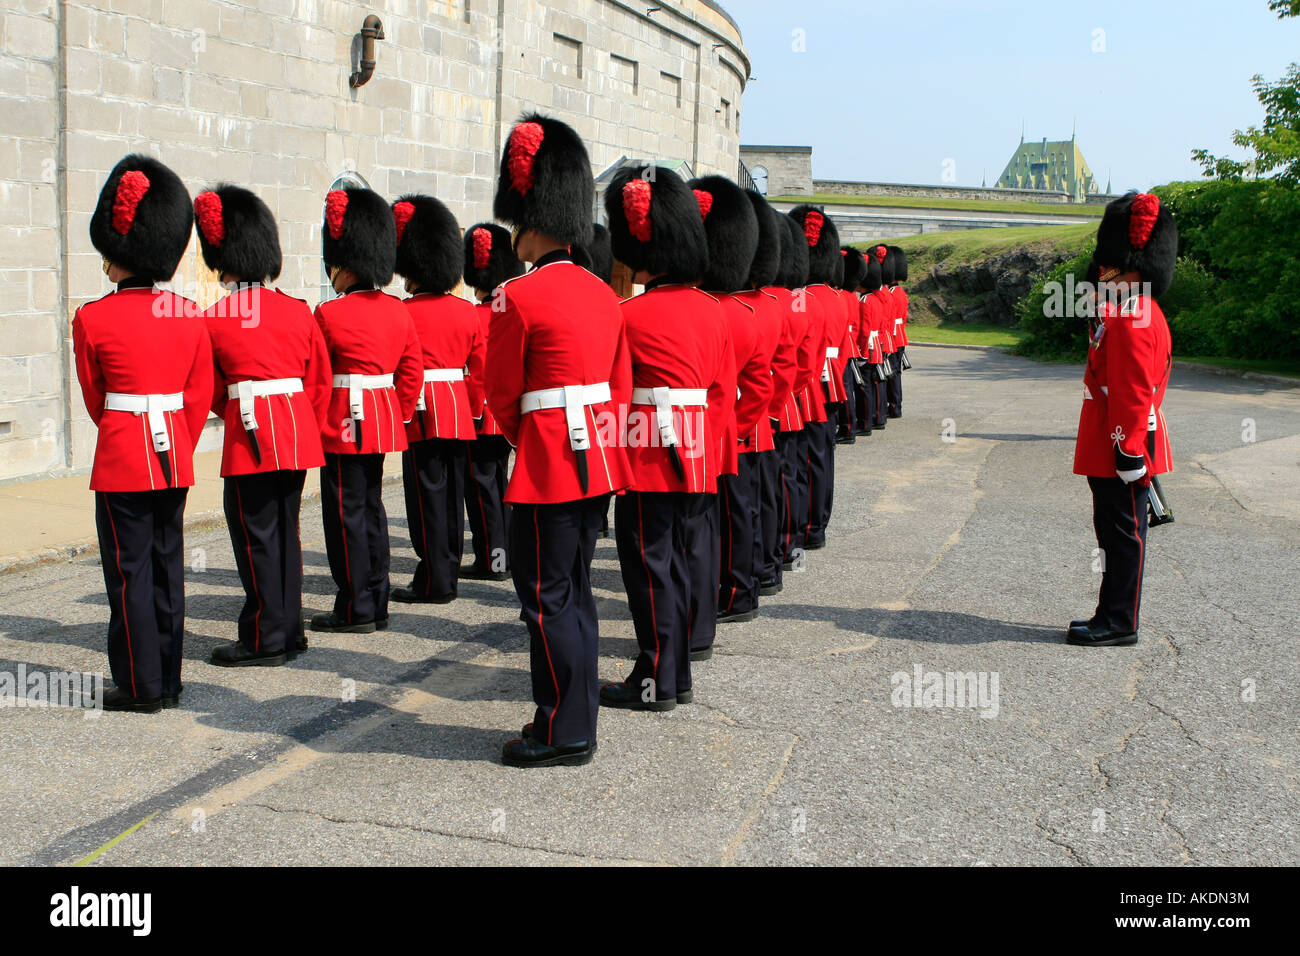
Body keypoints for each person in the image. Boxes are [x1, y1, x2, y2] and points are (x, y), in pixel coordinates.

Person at [486, 114, 632, 767]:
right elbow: (619, 388)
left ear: (532, 219)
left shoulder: (516, 298)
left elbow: (501, 397)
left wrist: (536, 442)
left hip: (546, 464)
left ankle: (561, 727)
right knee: (573, 592)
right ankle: (575, 717)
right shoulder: (606, 297)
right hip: (596, 462)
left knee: (544, 598)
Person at [74, 154, 212, 711]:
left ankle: (139, 684)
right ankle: (170, 678)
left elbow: (94, 396)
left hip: (124, 455)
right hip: (172, 456)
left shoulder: (92, 317)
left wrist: (122, 431)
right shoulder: (188, 314)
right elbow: (199, 396)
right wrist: (175, 437)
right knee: (166, 567)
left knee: (128, 574)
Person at [600, 164, 735, 709]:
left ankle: (655, 678)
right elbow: (723, 395)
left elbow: (615, 395)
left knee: (649, 566)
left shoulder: (628, 314)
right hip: (699, 452)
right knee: (678, 562)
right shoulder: (714, 313)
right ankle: (674, 673)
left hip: (647, 456)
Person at [196, 184, 331, 666]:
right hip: (295, 434)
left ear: (223, 258)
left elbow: (209, 388)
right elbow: (319, 380)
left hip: (248, 437)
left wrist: (237, 410)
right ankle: (289, 629)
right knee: (286, 531)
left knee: (256, 538)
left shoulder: (214, 319)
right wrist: (300, 422)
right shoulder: (298, 311)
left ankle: (263, 637)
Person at [311, 187, 423, 633]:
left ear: (344, 264)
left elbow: (318, 378)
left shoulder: (329, 313)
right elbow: (410, 371)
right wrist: (397, 413)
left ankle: (354, 606)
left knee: (345, 516)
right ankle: (376, 600)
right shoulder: (398, 312)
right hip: (379, 419)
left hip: (341, 421)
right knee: (371, 509)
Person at [1069, 192, 1177, 647]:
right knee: (1113, 533)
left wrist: (1128, 449)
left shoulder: (1132, 315)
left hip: (1122, 440)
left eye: (1107, 267)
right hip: (1117, 436)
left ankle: (1119, 621)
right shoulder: (1127, 309)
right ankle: (1110, 611)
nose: (1100, 273)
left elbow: (1133, 393)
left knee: (1122, 535)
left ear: (1122, 264)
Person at [688, 175, 774, 628]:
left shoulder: (712, 312)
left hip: (718, 433)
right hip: (738, 428)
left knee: (722, 518)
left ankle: (735, 592)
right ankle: (739, 588)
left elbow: (756, 386)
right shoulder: (742, 313)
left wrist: (726, 430)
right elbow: (761, 386)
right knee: (741, 513)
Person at [390, 194, 479, 604]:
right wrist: (473, 409)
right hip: (458, 410)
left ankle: (434, 580)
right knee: (452, 499)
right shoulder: (467, 312)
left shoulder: (403, 312)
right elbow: (479, 370)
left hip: (422, 411)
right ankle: (450, 572)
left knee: (425, 501)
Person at [461, 222, 525, 580]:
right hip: (506, 414)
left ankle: (492, 559)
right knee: (501, 485)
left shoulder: (474, 315)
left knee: (484, 489)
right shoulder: (509, 312)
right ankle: (508, 555)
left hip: (482, 414)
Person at [788, 205, 846, 551]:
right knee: (822, 456)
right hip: (832, 381)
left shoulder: (799, 298)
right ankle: (818, 523)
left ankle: (802, 527)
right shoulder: (840, 299)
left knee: (799, 461)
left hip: (804, 385)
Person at [886, 244, 910, 418]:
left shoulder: (892, 294)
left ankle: (895, 406)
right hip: (899, 335)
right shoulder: (899, 292)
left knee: (893, 373)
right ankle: (895, 404)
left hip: (893, 336)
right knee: (895, 373)